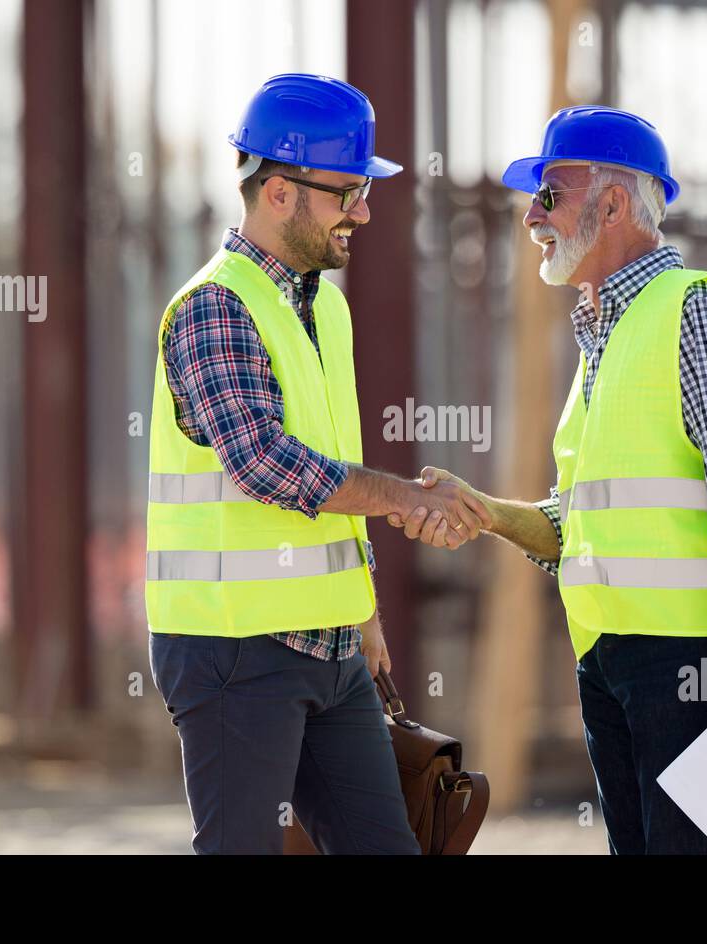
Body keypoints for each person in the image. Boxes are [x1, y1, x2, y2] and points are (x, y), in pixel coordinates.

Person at [391, 106, 707, 854]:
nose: (532, 215)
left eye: (549, 192)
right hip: (611, 659)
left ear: (614, 202)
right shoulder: (604, 340)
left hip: (689, 660)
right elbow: (579, 524)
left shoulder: (696, 311)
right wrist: (487, 512)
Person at [145, 73, 490, 854]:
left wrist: (362, 609)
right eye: (346, 191)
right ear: (276, 191)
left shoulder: (323, 306)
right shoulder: (214, 308)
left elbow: (337, 464)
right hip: (236, 651)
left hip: (330, 646)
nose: (363, 210)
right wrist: (404, 498)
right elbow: (266, 463)